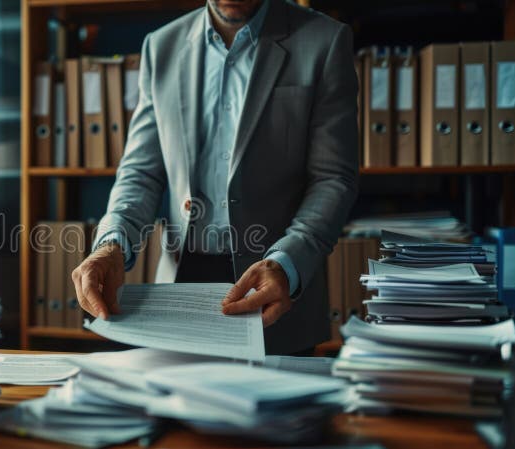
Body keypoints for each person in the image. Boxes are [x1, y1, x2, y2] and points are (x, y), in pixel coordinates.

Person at [71, 0, 358, 355]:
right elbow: (141, 171)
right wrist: (111, 243)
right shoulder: (160, 46)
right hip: (179, 290)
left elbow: (333, 178)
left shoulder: (325, 41)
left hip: (274, 289)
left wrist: (287, 263)